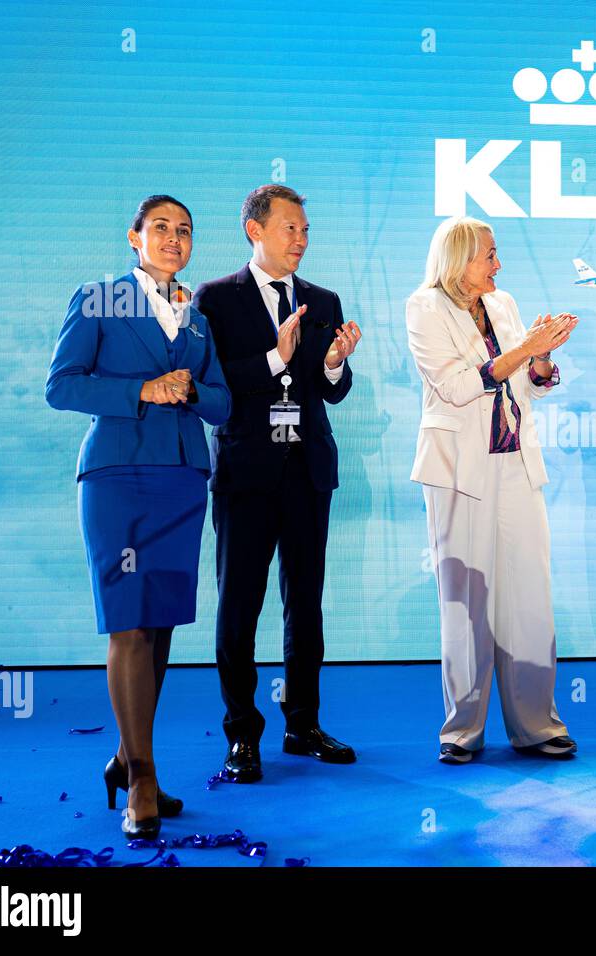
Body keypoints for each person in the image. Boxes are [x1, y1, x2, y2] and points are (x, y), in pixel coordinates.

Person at [46, 195, 231, 838]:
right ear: (134, 237)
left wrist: (193, 393)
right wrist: (143, 390)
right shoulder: (99, 299)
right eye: (162, 228)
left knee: (160, 628)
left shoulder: (197, 316)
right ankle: (143, 782)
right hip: (118, 476)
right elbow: (62, 385)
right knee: (128, 626)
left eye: (185, 231)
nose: (175, 239)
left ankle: (126, 758)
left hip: (183, 479)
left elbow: (223, 404)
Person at [194, 185, 361, 782]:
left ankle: (303, 723)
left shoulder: (323, 299)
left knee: (304, 603)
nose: (301, 240)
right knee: (239, 605)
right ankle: (242, 734)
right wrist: (275, 356)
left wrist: (335, 361)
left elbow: (333, 390)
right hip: (245, 472)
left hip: (308, 470)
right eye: (290, 228)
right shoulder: (214, 299)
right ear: (254, 230)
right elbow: (209, 384)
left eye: (306, 230)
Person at [406, 216, 578, 764]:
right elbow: (459, 386)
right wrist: (523, 348)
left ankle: (536, 724)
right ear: (459, 259)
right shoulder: (424, 307)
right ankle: (462, 729)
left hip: (515, 462)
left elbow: (528, 383)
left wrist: (542, 357)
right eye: (489, 255)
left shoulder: (502, 304)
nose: (498, 265)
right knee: (466, 599)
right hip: (460, 470)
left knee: (530, 593)